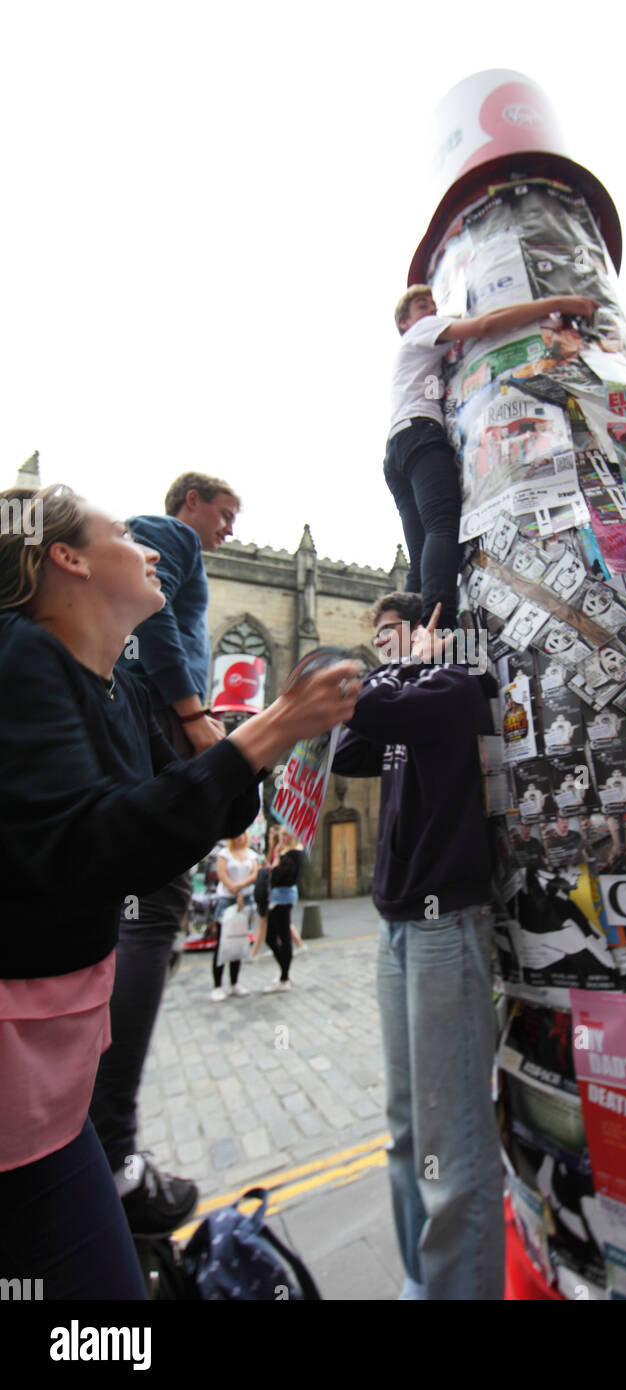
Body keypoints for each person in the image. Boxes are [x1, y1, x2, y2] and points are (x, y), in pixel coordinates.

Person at [0, 483, 360, 1298]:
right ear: (68, 558)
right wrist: (271, 727)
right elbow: (94, 845)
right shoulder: (18, 654)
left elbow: (185, 811)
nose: (154, 548)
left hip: (54, 1099)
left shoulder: (119, 688)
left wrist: (250, 739)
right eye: (124, 536)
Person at [332, 590, 504, 1300]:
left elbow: (369, 706)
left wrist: (420, 663)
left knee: (451, 1140)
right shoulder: (408, 691)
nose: (380, 649)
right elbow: (350, 745)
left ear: (432, 628)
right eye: (373, 641)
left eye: (391, 634)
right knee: (406, 1128)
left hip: (447, 925)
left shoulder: (460, 684)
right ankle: (417, 1282)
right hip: (397, 924)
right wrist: (401, 665)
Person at [89, 470, 242, 1234]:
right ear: (191, 501)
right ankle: (111, 1154)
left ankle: (98, 1144)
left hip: (142, 712)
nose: (231, 527)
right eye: (226, 511)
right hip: (153, 713)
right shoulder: (168, 532)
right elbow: (147, 613)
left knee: (139, 904)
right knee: (156, 900)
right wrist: (194, 714)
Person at [386, 286, 597, 632]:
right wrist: (561, 303)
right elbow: (485, 326)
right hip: (420, 435)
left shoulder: (415, 353)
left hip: (397, 448)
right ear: (404, 322)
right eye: (422, 306)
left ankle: (404, 641)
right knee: (442, 527)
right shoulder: (422, 331)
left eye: (434, 304)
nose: (433, 310)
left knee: (420, 552)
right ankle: (440, 632)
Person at [211, 832, 259, 1000]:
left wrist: (240, 887)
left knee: (238, 941)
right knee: (222, 943)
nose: (240, 837)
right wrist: (235, 889)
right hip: (227, 899)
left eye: (242, 834)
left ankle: (234, 983)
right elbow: (222, 875)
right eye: (237, 834)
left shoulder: (251, 853)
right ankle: (217, 985)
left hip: (245, 900)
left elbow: (254, 874)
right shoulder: (224, 853)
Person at [262, 827, 304, 993]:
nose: (284, 837)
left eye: (286, 834)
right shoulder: (286, 851)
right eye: (282, 834)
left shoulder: (294, 853)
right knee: (271, 937)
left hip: (283, 898)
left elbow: (278, 874)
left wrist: (277, 859)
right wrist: (276, 849)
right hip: (278, 897)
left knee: (281, 937)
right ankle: (284, 972)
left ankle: (284, 977)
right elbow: (273, 869)